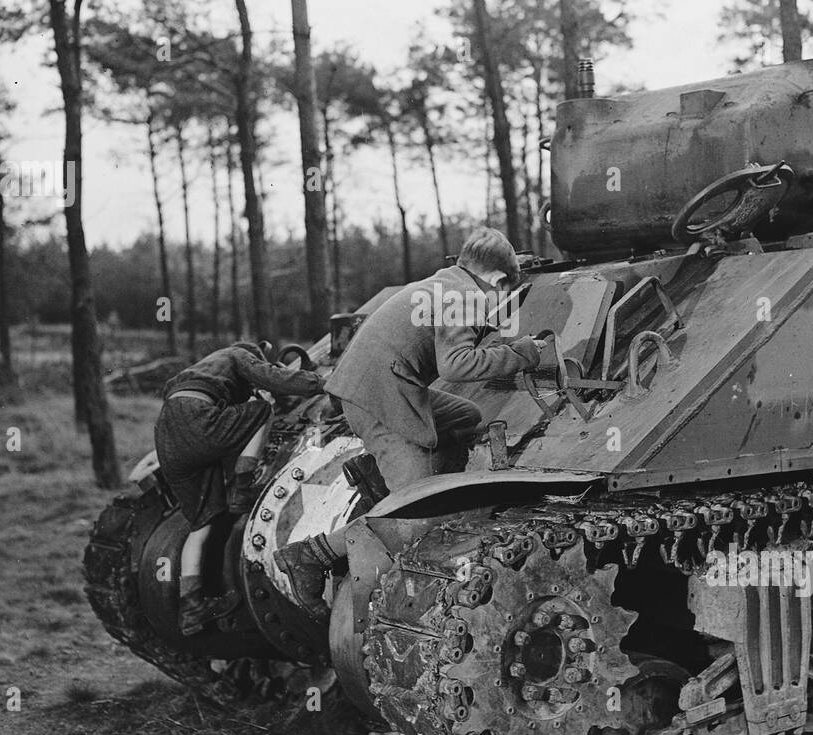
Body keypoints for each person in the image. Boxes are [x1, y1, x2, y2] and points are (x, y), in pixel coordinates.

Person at [275, 227, 548, 618]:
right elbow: (455, 364)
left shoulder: (445, 283)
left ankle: (424, 477)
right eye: (504, 294)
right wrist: (521, 354)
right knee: (415, 510)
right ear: (499, 280)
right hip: (381, 397)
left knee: (465, 416)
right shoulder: (465, 296)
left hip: (372, 386)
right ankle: (311, 555)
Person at [156, 341, 326, 635]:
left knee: (202, 523)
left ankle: (191, 607)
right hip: (197, 419)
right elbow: (274, 378)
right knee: (260, 412)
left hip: (168, 437)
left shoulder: (200, 369)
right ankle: (243, 486)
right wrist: (322, 383)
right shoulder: (239, 354)